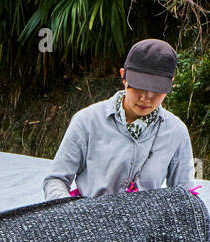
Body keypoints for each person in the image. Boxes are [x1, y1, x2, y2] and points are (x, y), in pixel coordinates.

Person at [43, 39, 195, 200]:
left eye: (157, 90)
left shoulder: (176, 132)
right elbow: (56, 179)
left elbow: (184, 196)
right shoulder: (87, 121)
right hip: (88, 220)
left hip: (145, 224)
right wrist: (69, 214)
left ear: (170, 84)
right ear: (124, 76)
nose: (146, 98)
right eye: (139, 87)